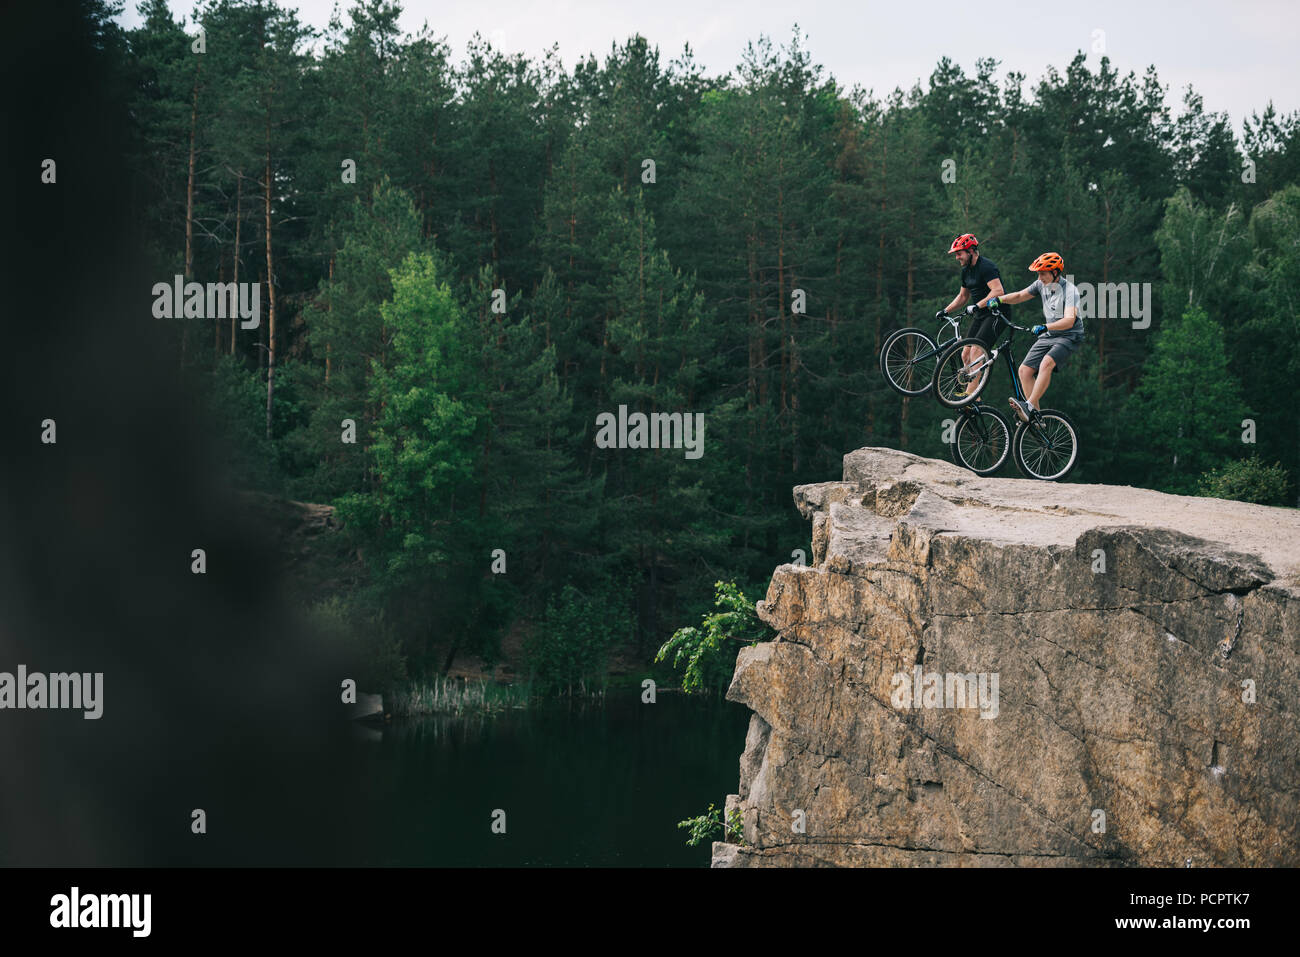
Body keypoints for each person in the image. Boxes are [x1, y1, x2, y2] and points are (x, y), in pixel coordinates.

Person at [986, 252, 1083, 422]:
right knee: (1024, 371)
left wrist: (1046, 327)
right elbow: (1019, 296)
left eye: (1043, 273)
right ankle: (1035, 418)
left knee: (1046, 363)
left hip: (1069, 335)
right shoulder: (1040, 284)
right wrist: (999, 300)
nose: (1039, 277)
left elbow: (1069, 321)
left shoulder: (1070, 291)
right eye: (1038, 274)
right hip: (1049, 334)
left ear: (1055, 273)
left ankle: (1029, 405)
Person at [937, 234, 1008, 398]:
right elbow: (963, 297)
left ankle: (971, 395)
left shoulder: (986, 266)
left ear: (970, 251)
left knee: (977, 351)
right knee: (965, 354)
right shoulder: (965, 271)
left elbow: (998, 291)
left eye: (959, 253)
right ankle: (975, 392)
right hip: (981, 315)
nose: (957, 257)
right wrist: (946, 310)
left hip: (997, 314)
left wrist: (977, 305)